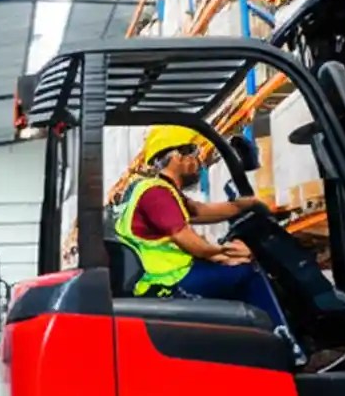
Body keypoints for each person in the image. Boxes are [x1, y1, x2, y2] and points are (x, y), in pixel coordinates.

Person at [113, 125, 304, 361]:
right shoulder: (156, 195)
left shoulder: (165, 192)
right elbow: (193, 244)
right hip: (167, 282)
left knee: (237, 268)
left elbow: (202, 210)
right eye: (193, 152)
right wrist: (226, 252)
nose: (198, 160)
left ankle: (253, 349)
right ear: (175, 157)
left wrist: (250, 204)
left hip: (173, 275)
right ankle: (285, 345)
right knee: (249, 272)